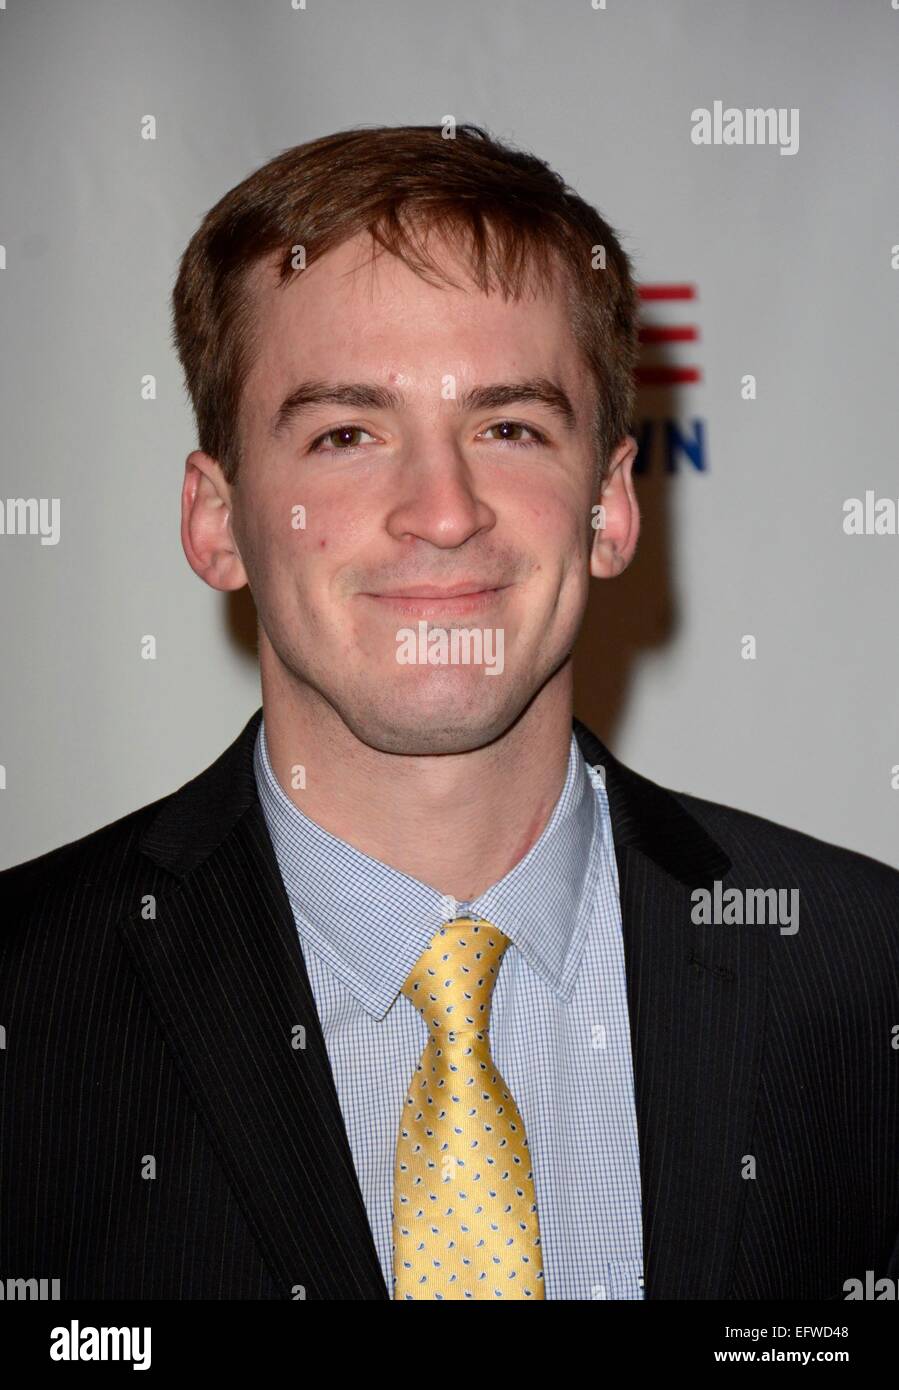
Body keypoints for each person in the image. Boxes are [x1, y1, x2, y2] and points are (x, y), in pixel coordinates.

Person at [1, 124, 897, 1302]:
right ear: (217, 519)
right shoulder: (27, 1000)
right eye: (345, 434)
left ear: (611, 505)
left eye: (507, 427)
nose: (441, 509)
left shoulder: (862, 973)